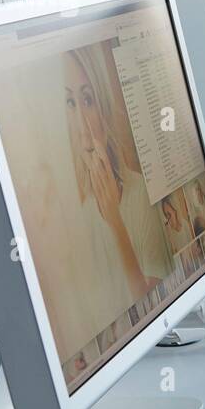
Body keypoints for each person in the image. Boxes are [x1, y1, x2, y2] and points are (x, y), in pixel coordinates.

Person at [63, 43, 171, 308]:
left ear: (103, 108)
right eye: (69, 102)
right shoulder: (72, 217)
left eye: (87, 100)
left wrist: (115, 221)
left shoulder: (141, 195)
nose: (82, 125)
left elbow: (150, 308)